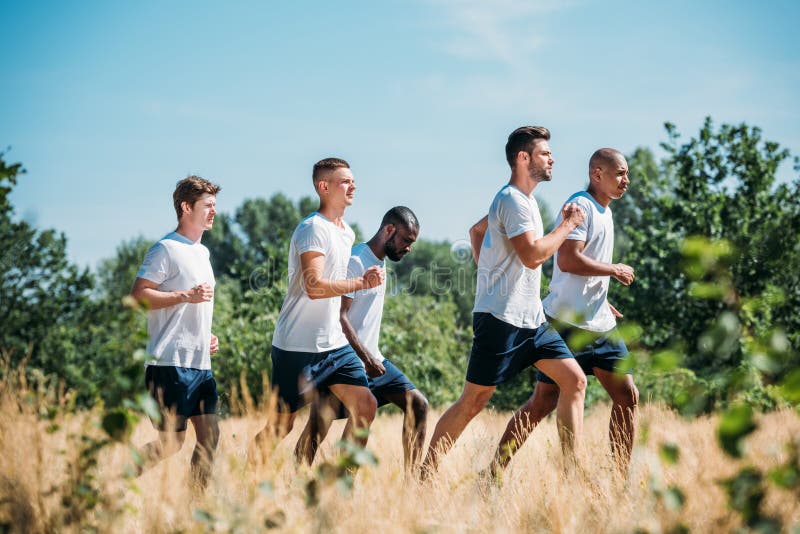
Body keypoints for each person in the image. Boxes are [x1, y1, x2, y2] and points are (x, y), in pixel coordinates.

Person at [420, 126, 587, 478]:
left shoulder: (524, 201)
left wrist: (488, 270)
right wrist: (568, 225)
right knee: (474, 401)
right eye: (545, 153)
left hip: (533, 321)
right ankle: (426, 474)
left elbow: (477, 231)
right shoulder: (511, 200)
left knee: (574, 381)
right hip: (500, 320)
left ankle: (570, 474)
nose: (552, 159)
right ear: (523, 158)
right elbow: (533, 256)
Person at [487, 148, 639, 477]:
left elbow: (582, 270)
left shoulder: (605, 210)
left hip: (600, 323)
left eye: (626, 174)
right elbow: (569, 260)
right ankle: (495, 471)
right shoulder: (580, 206)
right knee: (543, 401)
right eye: (620, 173)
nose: (626, 180)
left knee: (627, 396)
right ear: (597, 174)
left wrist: (600, 297)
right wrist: (613, 270)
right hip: (565, 323)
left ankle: (619, 479)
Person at [253, 158, 385, 460]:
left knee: (366, 405)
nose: (353, 187)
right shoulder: (312, 228)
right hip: (296, 347)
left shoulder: (347, 232)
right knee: (281, 426)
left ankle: (341, 481)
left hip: (334, 345)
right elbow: (313, 286)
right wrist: (360, 283)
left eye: (353, 181)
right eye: (345, 181)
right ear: (323, 187)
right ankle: (249, 476)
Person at [296, 207, 429, 472]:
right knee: (317, 429)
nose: (408, 248)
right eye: (406, 240)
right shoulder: (355, 261)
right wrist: (365, 359)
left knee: (418, 405)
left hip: (373, 359)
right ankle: (300, 483)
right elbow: (340, 316)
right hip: (343, 361)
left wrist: (371, 358)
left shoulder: (381, 262)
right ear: (389, 230)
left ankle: (412, 485)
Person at [130, 175, 222, 490]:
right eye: (207, 205)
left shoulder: (203, 253)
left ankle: (194, 507)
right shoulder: (165, 249)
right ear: (186, 207)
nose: (214, 211)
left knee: (210, 437)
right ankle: (114, 482)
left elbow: (192, 308)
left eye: (214, 205)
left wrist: (205, 336)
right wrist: (185, 296)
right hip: (168, 363)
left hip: (200, 364)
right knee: (172, 442)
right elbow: (138, 296)